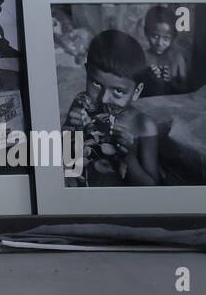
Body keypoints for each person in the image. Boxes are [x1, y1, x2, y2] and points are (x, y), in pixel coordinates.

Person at [61, 30, 161, 187]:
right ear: (87, 72)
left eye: (118, 91)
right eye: (96, 84)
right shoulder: (82, 104)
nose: (104, 98)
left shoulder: (144, 126)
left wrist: (129, 157)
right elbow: (66, 164)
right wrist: (73, 129)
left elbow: (153, 188)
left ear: (137, 91)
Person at [139, 4, 190, 96]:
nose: (160, 43)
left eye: (166, 38)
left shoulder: (177, 59)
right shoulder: (141, 56)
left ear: (173, 36)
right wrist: (147, 79)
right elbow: (132, 89)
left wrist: (171, 81)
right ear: (146, 32)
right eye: (155, 36)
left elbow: (186, 90)